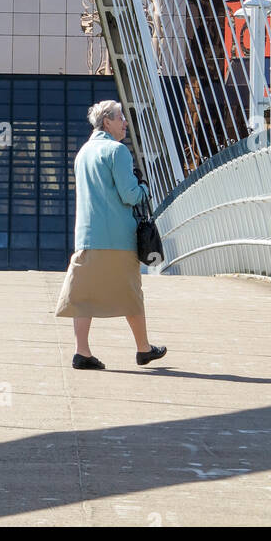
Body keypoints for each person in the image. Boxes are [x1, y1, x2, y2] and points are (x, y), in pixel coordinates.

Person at [54, 100, 167, 370]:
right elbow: (130, 195)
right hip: (118, 237)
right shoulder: (117, 151)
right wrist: (144, 188)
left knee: (83, 296)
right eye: (120, 119)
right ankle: (143, 349)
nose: (125, 123)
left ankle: (82, 352)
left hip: (86, 236)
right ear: (107, 122)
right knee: (130, 292)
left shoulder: (83, 153)